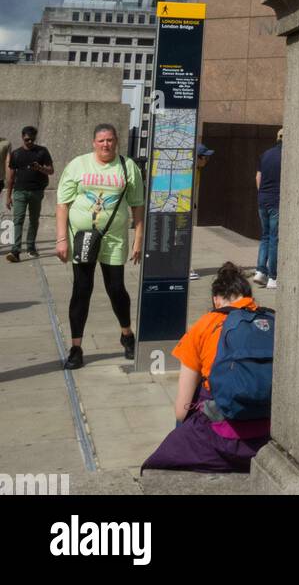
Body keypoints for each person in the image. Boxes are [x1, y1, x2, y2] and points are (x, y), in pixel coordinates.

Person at [140, 262, 273, 474]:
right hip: (268, 440)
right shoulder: (271, 322)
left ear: (216, 299)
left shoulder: (205, 325)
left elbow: (181, 410)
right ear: (250, 298)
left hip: (220, 440)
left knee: (155, 465)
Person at [55, 123, 145, 370]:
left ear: (117, 142)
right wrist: (61, 238)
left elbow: (137, 204)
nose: (106, 144)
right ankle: (76, 347)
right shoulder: (78, 165)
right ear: (94, 142)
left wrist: (138, 238)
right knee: (82, 289)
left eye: (110, 140)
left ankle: (126, 334)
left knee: (116, 288)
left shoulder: (128, 167)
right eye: (101, 140)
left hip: (114, 240)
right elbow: (62, 203)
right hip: (82, 238)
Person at [6, 126, 54, 262]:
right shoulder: (16, 154)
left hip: (36, 192)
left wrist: (39, 167)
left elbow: (51, 171)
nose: (30, 142)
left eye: (32, 140)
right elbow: (11, 177)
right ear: (22, 137)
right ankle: (15, 251)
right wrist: (8, 196)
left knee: (34, 220)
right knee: (18, 220)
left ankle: (31, 247)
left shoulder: (42, 152)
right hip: (19, 191)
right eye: (27, 139)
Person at [252, 128, 282, 289]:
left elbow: (258, 178)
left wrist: (262, 195)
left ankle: (260, 271)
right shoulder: (286, 155)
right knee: (274, 238)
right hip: (276, 200)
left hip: (262, 199)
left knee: (265, 237)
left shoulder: (265, 154)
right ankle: (273, 276)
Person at [189, 142, 214, 281]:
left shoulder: (197, 169)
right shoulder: (189, 170)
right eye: (205, 157)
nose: (207, 160)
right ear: (198, 157)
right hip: (182, 209)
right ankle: (186, 269)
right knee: (181, 239)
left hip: (188, 207)